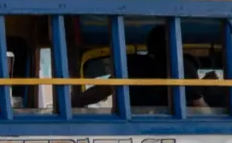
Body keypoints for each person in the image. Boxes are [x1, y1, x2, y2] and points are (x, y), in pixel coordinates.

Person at [73, 25, 208, 111]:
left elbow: (101, 90)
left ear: (150, 45)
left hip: (132, 124)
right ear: (176, 45)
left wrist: (72, 103)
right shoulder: (184, 67)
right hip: (176, 131)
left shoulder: (132, 65)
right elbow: (200, 107)